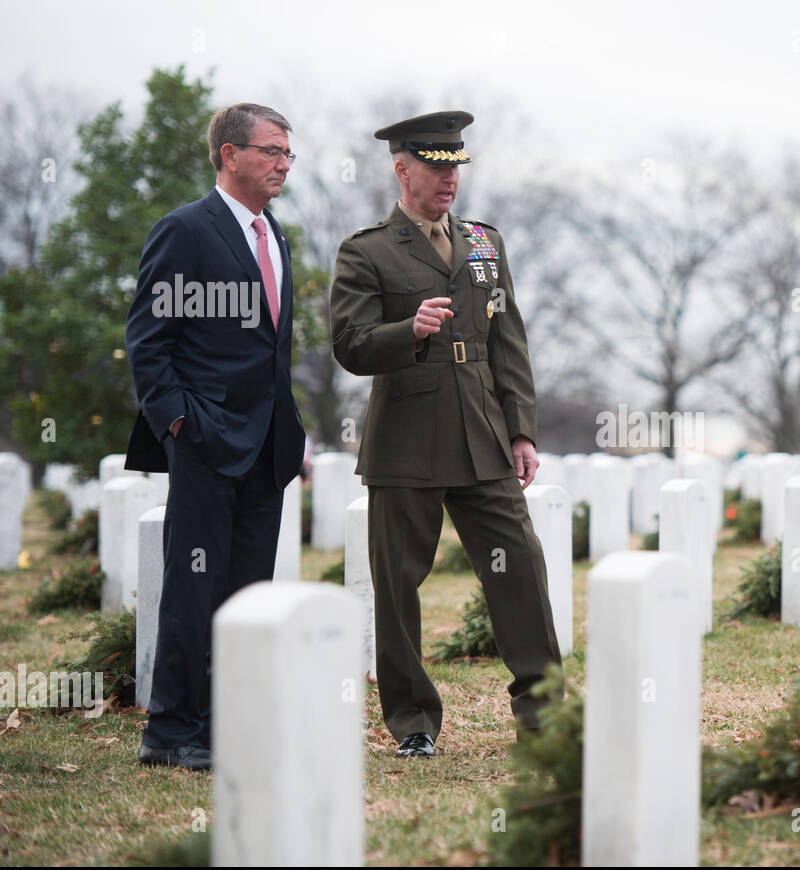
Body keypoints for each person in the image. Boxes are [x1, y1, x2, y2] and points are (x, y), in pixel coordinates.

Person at [330, 110, 562, 757]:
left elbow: (508, 342)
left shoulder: (485, 243)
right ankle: (413, 723)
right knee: (398, 584)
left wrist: (522, 431)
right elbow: (349, 344)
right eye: (435, 167)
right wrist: (410, 330)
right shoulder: (366, 250)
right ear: (401, 169)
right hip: (406, 439)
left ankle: (544, 715)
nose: (448, 179)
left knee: (520, 565)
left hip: (483, 433)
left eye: (456, 166)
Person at [124, 103, 307, 771]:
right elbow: (149, 341)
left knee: (246, 592)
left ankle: (226, 724)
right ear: (230, 155)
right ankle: (170, 732)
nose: (284, 163)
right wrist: (177, 423)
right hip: (204, 441)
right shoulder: (186, 230)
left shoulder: (275, 233)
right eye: (272, 151)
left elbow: (273, 347)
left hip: (267, 445)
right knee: (194, 588)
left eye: (290, 153)